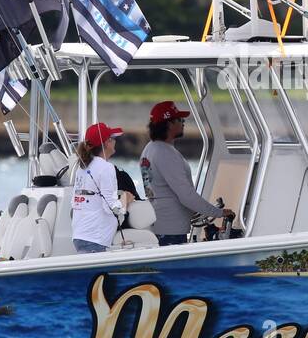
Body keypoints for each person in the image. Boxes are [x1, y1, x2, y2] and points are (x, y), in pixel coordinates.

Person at [140, 101, 235, 245]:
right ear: (169, 124)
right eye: (180, 120)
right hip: (171, 231)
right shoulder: (166, 154)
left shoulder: (150, 148)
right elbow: (186, 195)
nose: (183, 123)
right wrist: (219, 213)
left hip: (159, 225)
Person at [71, 122, 127, 253]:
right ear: (107, 142)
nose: (115, 142)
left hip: (79, 236)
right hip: (95, 240)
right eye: (113, 139)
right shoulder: (106, 168)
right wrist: (125, 200)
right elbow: (110, 207)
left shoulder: (82, 166)